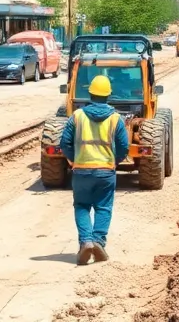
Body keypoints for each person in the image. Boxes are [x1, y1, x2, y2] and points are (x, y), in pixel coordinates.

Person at [59, 75, 130, 265]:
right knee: (103, 207)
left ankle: (86, 242)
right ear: (108, 95)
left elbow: (64, 143)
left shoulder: (77, 116)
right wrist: (114, 162)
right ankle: (98, 242)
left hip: (81, 170)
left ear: (90, 93)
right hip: (106, 171)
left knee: (82, 206)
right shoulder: (116, 119)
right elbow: (124, 147)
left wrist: (75, 160)